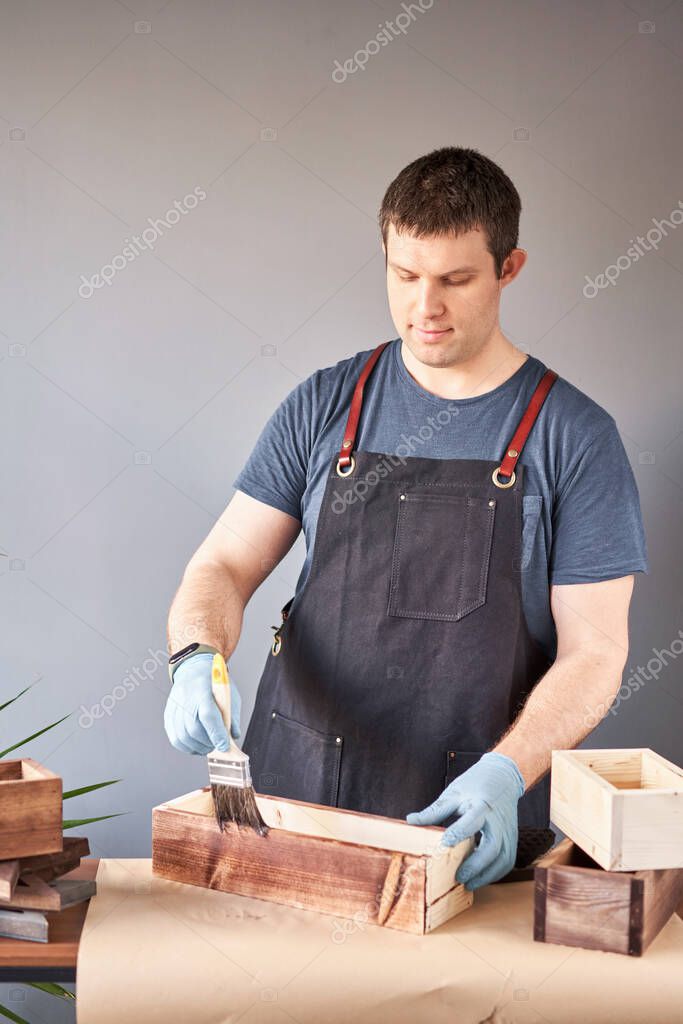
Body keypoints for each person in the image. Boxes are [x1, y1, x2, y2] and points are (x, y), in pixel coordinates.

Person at [164, 146, 648, 891]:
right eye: (405, 275)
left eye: (455, 280)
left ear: (508, 268)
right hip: (295, 810)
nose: (426, 307)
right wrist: (195, 653)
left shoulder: (573, 437)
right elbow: (224, 563)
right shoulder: (325, 403)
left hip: (464, 822)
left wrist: (505, 775)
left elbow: (596, 652)